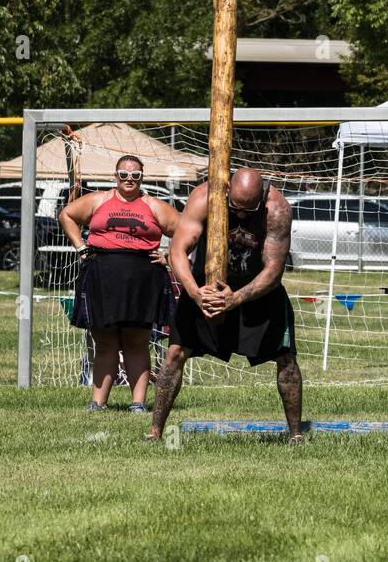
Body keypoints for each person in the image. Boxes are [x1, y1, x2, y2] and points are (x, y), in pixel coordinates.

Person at [147, 167, 304, 443]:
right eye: (236, 208)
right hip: (205, 287)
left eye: (249, 209)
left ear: (262, 194)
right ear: (228, 190)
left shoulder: (276, 208)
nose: (242, 215)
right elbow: (177, 251)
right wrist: (196, 294)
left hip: (256, 291)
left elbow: (274, 271)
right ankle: (154, 431)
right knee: (174, 355)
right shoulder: (203, 196)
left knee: (286, 358)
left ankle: (295, 434)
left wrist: (235, 298)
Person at [59, 155, 179, 412]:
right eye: (124, 175)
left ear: (142, 178)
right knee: (104, 343)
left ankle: (138, 404)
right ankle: (97, 403)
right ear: (115, 176)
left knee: (137, 342)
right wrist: (81, 248)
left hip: (143, 280)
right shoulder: (100, 200)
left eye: (135, 175)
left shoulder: (153, 205)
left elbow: (185, 230)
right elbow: (66, 215)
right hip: (102, 277)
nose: (129, 180)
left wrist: (168, 255)